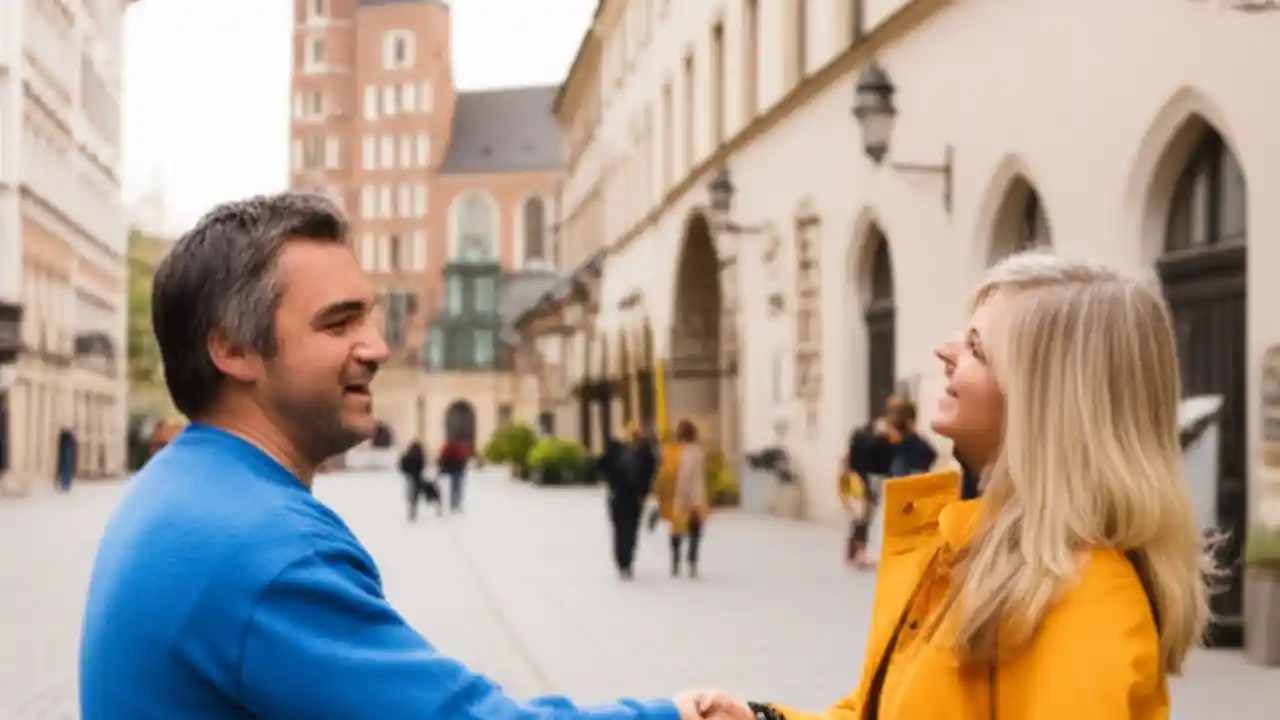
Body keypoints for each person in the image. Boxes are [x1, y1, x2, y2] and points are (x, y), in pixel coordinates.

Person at [78, 192, 711, 720]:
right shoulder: (268, 549)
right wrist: (674, 714)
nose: (378, 347)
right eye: (339, 323)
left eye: (372, 318)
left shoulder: (182, 485)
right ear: (234, 351)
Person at [695, 252, 1209, 718]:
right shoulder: (973, 550)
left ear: (1043, 402)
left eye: (976, 349)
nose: (945, 351)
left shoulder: (1082, 597)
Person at [600, 424, 658, 580]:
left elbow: (602, 466)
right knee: (631, 530)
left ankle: (622, 562)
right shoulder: (643, 452)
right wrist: (644, 493)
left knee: (620, 530)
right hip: (634, 497)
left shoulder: (618, 451)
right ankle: (627, 561)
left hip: (618, 495)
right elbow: (650, 472)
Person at [669, 419, 708, 578]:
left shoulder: (682, 452)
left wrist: (680, 496)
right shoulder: (698, 451)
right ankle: (692, 562)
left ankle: (676, 562)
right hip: (698, 497)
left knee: (677, 531)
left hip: (683, 496)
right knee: (695, 532)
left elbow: (684, 476)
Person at [399, 440, 439, 521]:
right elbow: (422, 466)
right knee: (417, 495)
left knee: (412, 497)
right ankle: (414, 513)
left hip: (410, 478)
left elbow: (402, 467)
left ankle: (412, 514)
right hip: (418, 478)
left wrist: (407, 473)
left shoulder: (407, 456)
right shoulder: (419, 456)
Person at [437, 437, 471, 513]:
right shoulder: (461, 448)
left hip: (452, 469)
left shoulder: (449, 447)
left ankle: (454, 504)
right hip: (458, 470)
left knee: (454, 487)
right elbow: (464, 459)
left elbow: (443, 457)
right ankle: (456, 504)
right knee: (458, 487)